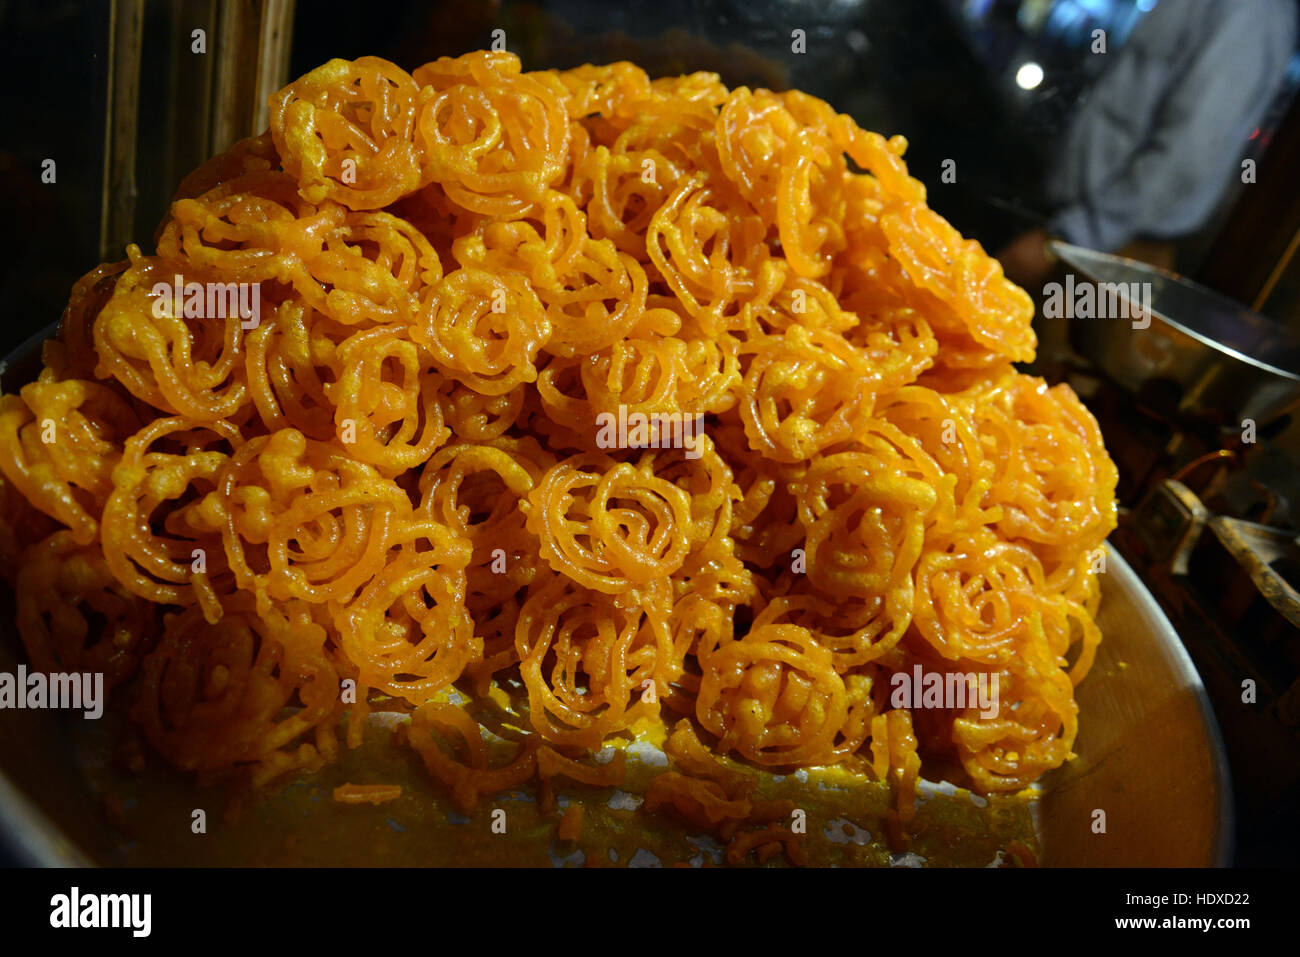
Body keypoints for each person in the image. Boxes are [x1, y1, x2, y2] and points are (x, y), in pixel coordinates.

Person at [998, 0, 1298, 289]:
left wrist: (1064, 240)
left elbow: (1188, 154)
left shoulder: (1249, 12)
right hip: (1085, 231)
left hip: (1109, 249)